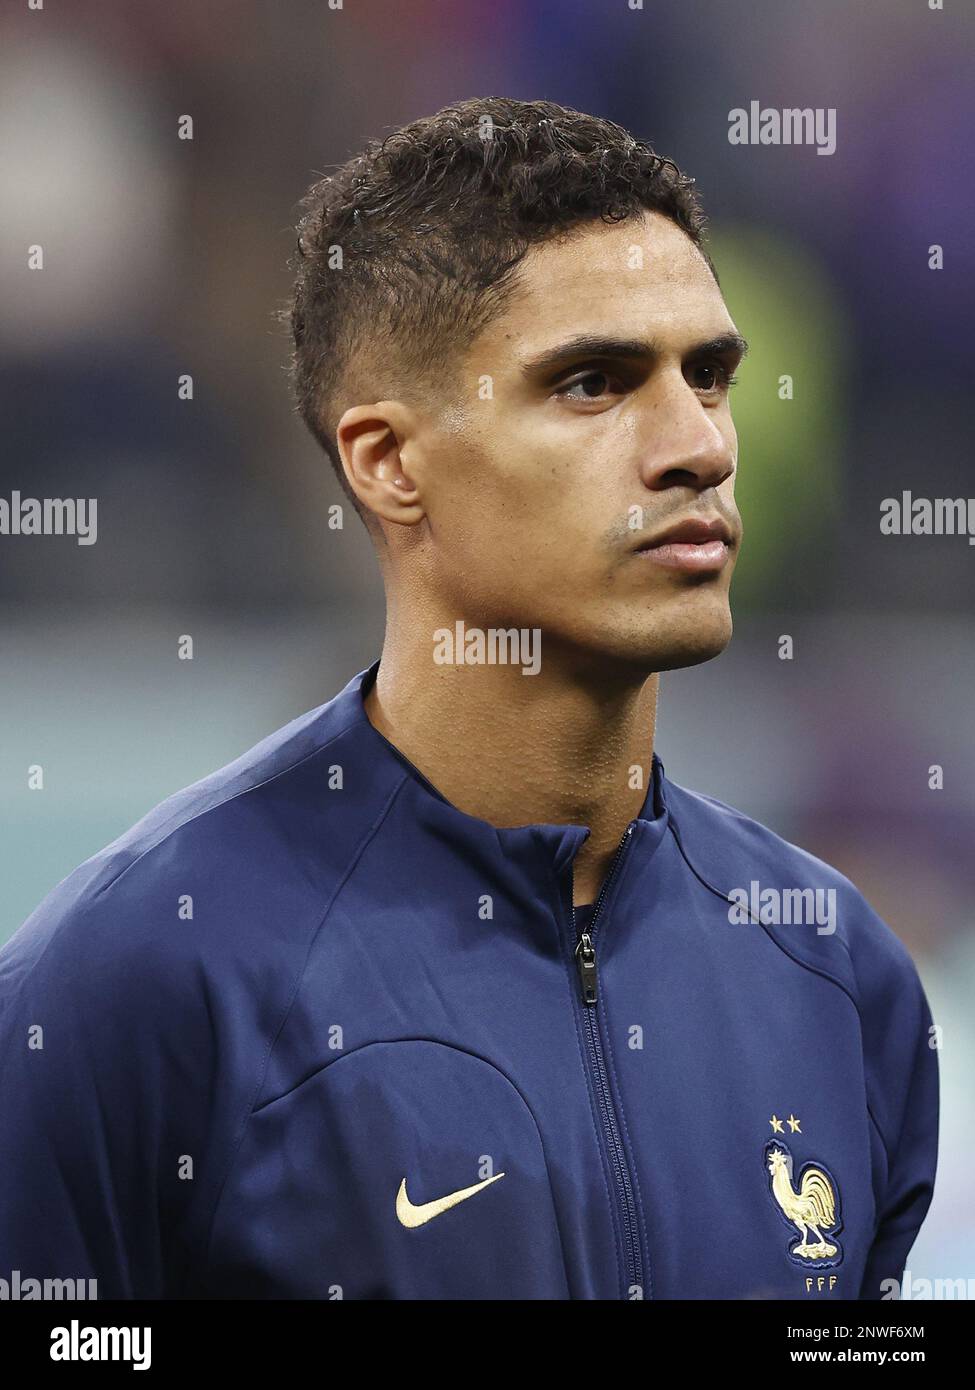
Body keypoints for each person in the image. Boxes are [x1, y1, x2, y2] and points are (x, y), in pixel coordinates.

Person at [0, 97, 937, 1300]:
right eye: (595, 384)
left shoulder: (838, 973)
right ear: (389, 462)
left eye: (709, 375)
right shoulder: (132, 979)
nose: (697, 444)